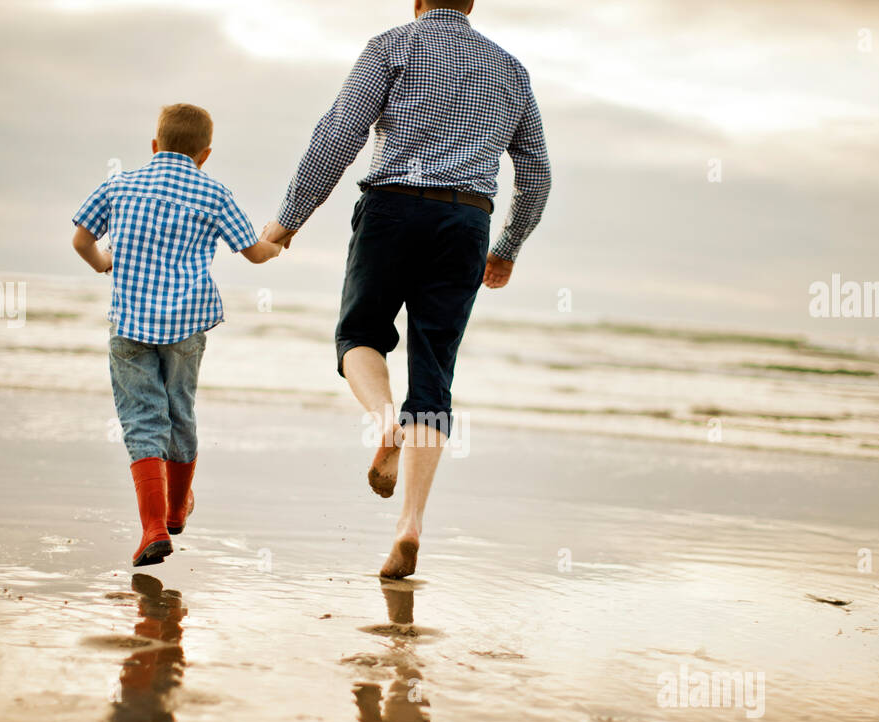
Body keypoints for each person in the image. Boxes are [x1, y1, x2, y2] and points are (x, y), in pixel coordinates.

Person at [263, 0, 552, 579]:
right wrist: (507, 246)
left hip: (392, 209)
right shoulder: (511, 69)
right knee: (435, 372)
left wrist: (290, 218)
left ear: (417, 1)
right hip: (466, 220)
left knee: (360, 334)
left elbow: (339, 132)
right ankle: (410, 524)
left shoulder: (393, 44)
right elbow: (537, 174)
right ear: (473, 4)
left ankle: (383, 420)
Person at [73, 104, 284, 567]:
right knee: (180, 409)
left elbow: (81, 240)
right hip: (187, 326)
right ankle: (174, 511)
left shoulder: (121, 184)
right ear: (204, 154)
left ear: (154, 145)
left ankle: (151, 528)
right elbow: (253, 252)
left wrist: (104, 263)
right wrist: (277, 241)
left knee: (142, 419)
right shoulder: (214, 192)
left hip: (128, 326)